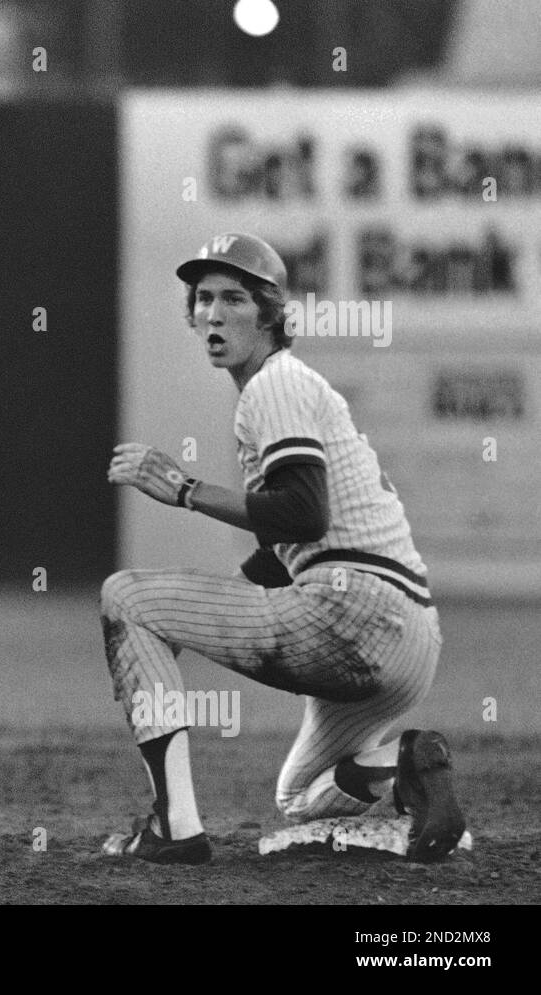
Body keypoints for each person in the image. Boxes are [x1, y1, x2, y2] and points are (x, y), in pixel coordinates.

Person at [98, 232, 465, 864]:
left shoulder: (274, 385)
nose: (213, 313)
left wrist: (185, 490)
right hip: (409, 638)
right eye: (204, 298)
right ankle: (403, 761)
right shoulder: (288, 388)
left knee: (127, 598)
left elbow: (302, 511)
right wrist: (208, 611)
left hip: (352, 614)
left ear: (270, 312)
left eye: (234, 298)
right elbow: (280, 553)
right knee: (300, 799)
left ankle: (173, 827)